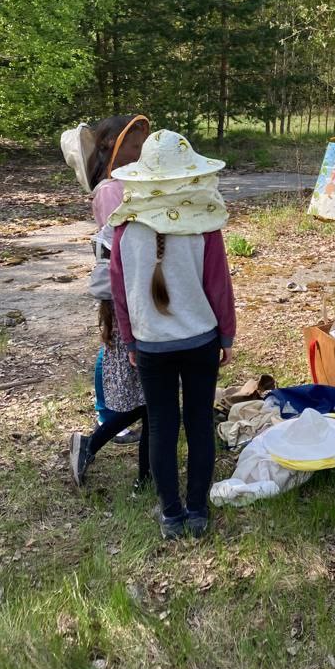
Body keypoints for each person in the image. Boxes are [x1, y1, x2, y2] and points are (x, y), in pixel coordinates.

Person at [108, 129, 236, 539]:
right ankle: (197, 510)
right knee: (199, 423)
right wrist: (227, 336)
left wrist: (129, 338)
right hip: (201, 341)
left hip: (150, 345)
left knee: (161, 426)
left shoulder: (125, 231)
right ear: (188, 175)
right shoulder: (204, 227)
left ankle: (171, 515)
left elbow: (119, 292)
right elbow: (219, 287)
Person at [64, 114, 152, 488]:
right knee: (151, 398)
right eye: (135, 146)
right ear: (114, 150)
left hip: (147, 294)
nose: (140, 152)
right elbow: (120, 249)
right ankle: (94, 445)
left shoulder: (134, 183)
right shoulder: (110, 191)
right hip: (128, 300)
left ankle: (146, 473)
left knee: (154, 397)